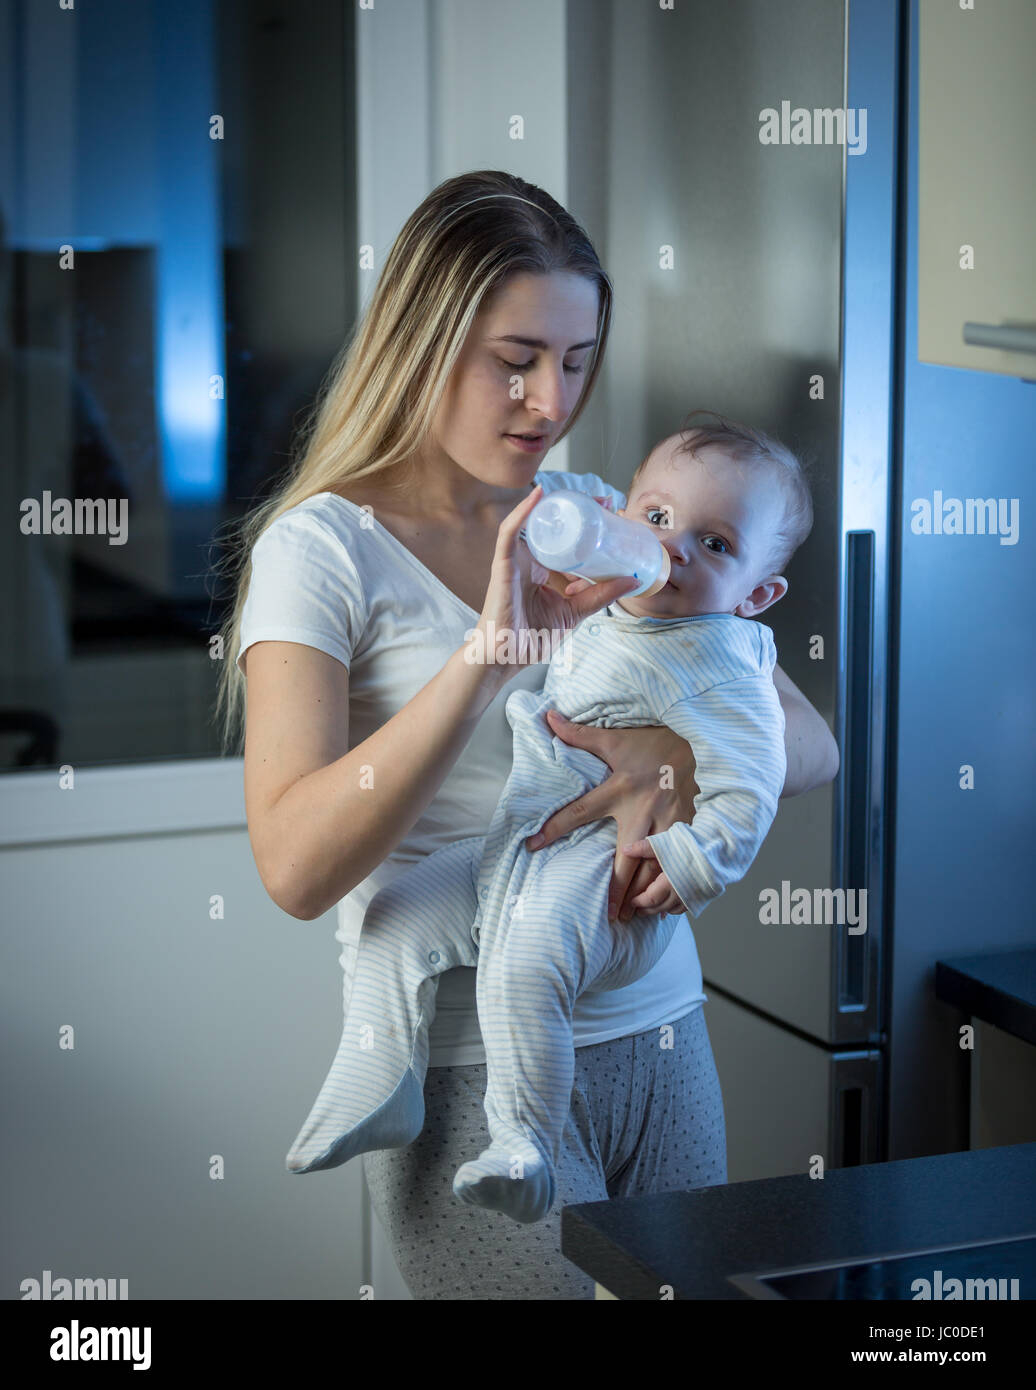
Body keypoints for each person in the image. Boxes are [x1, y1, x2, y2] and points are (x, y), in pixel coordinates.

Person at [217, 170, 839, 1300]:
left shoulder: (597, 512)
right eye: (515, 358)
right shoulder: (322, 552)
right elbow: (295, 864)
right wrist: (485, 660)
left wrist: (662, 759)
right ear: (421, 339)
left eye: (577, 358)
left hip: (659, 1035)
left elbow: (806, 741)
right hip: (465, 1066)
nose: (549, 402)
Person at [281, 414, 809, 1232]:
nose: (672, 552)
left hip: (602, 872)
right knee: (399, 914)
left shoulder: (724, 656)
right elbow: (294, 871)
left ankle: (522, 1140)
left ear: (758, 596)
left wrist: (692, 842)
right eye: (661, 521)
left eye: (717, 546)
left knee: (525, 960)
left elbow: (772, 766)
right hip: (516, 843)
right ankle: (377, 1073)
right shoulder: (591, 566)